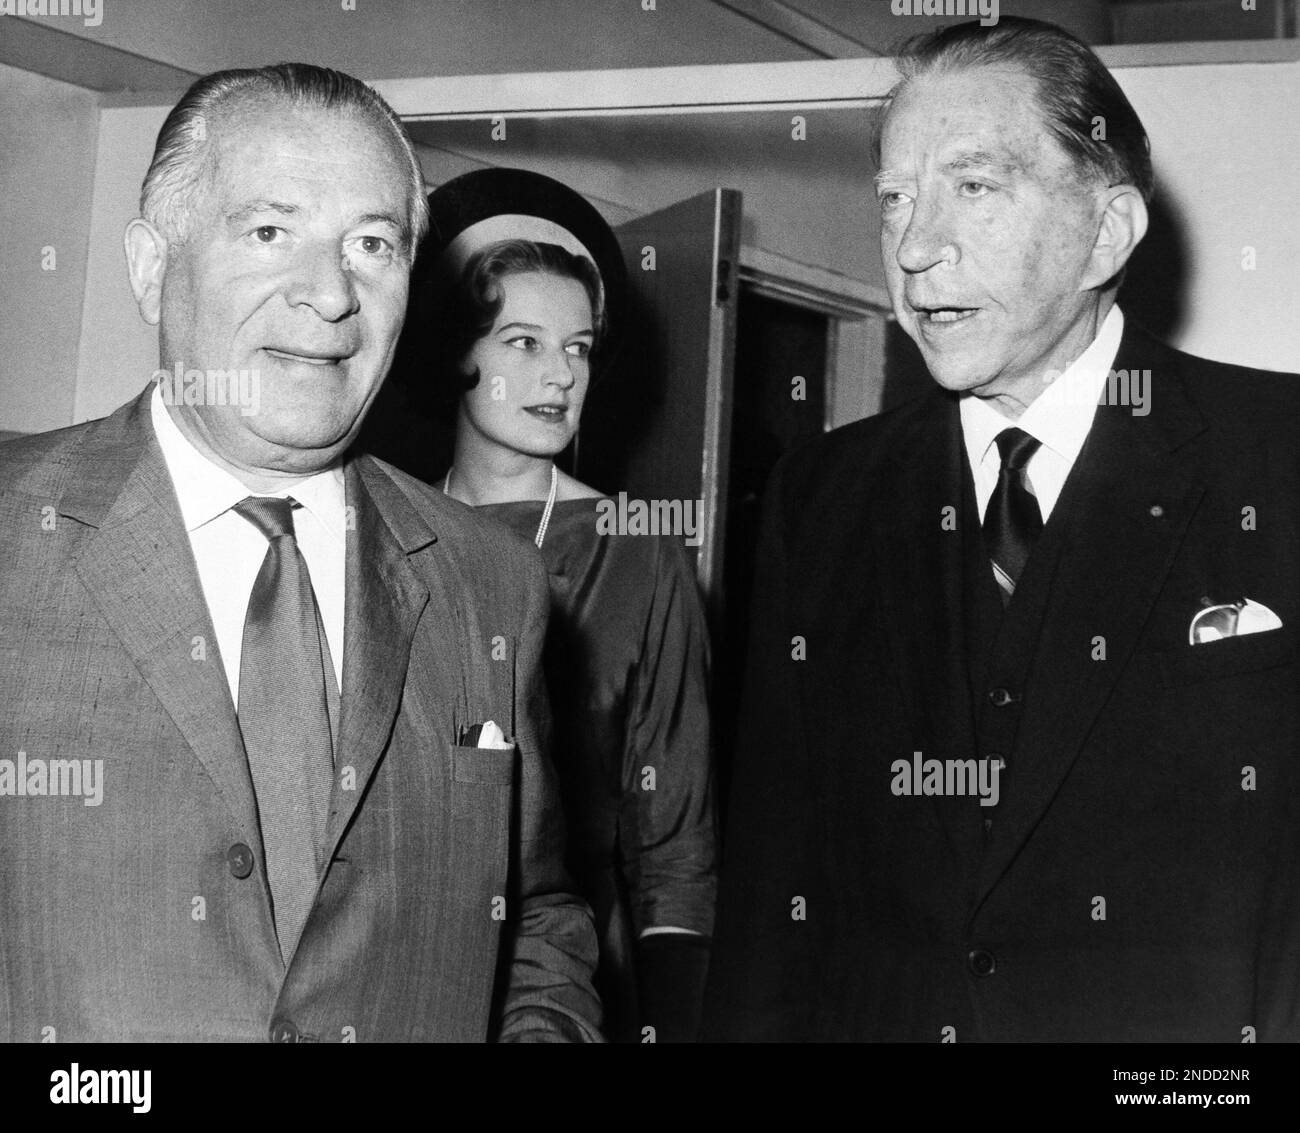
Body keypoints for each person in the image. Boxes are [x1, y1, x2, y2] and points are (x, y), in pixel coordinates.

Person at [705, 16, 1300, 1042]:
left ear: (1105, 233)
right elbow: (773, 889)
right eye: (895, 197)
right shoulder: (822, 497)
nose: (914, 244)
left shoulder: (1276, 457)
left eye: (970, 188)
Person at [0, 64, 601, 1042]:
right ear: (153, 264)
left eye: (371, 244)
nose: (328, 294)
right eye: (270, 230)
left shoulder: (488, 580)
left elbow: (536, 917)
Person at [405, 168, 717, 1042]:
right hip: (401, 974)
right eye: (523, 342)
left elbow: (678, 845)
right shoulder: (381, 531)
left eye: (577, 348)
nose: (559, 377)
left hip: (576, 990)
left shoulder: (639, 555)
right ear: (457, 351)